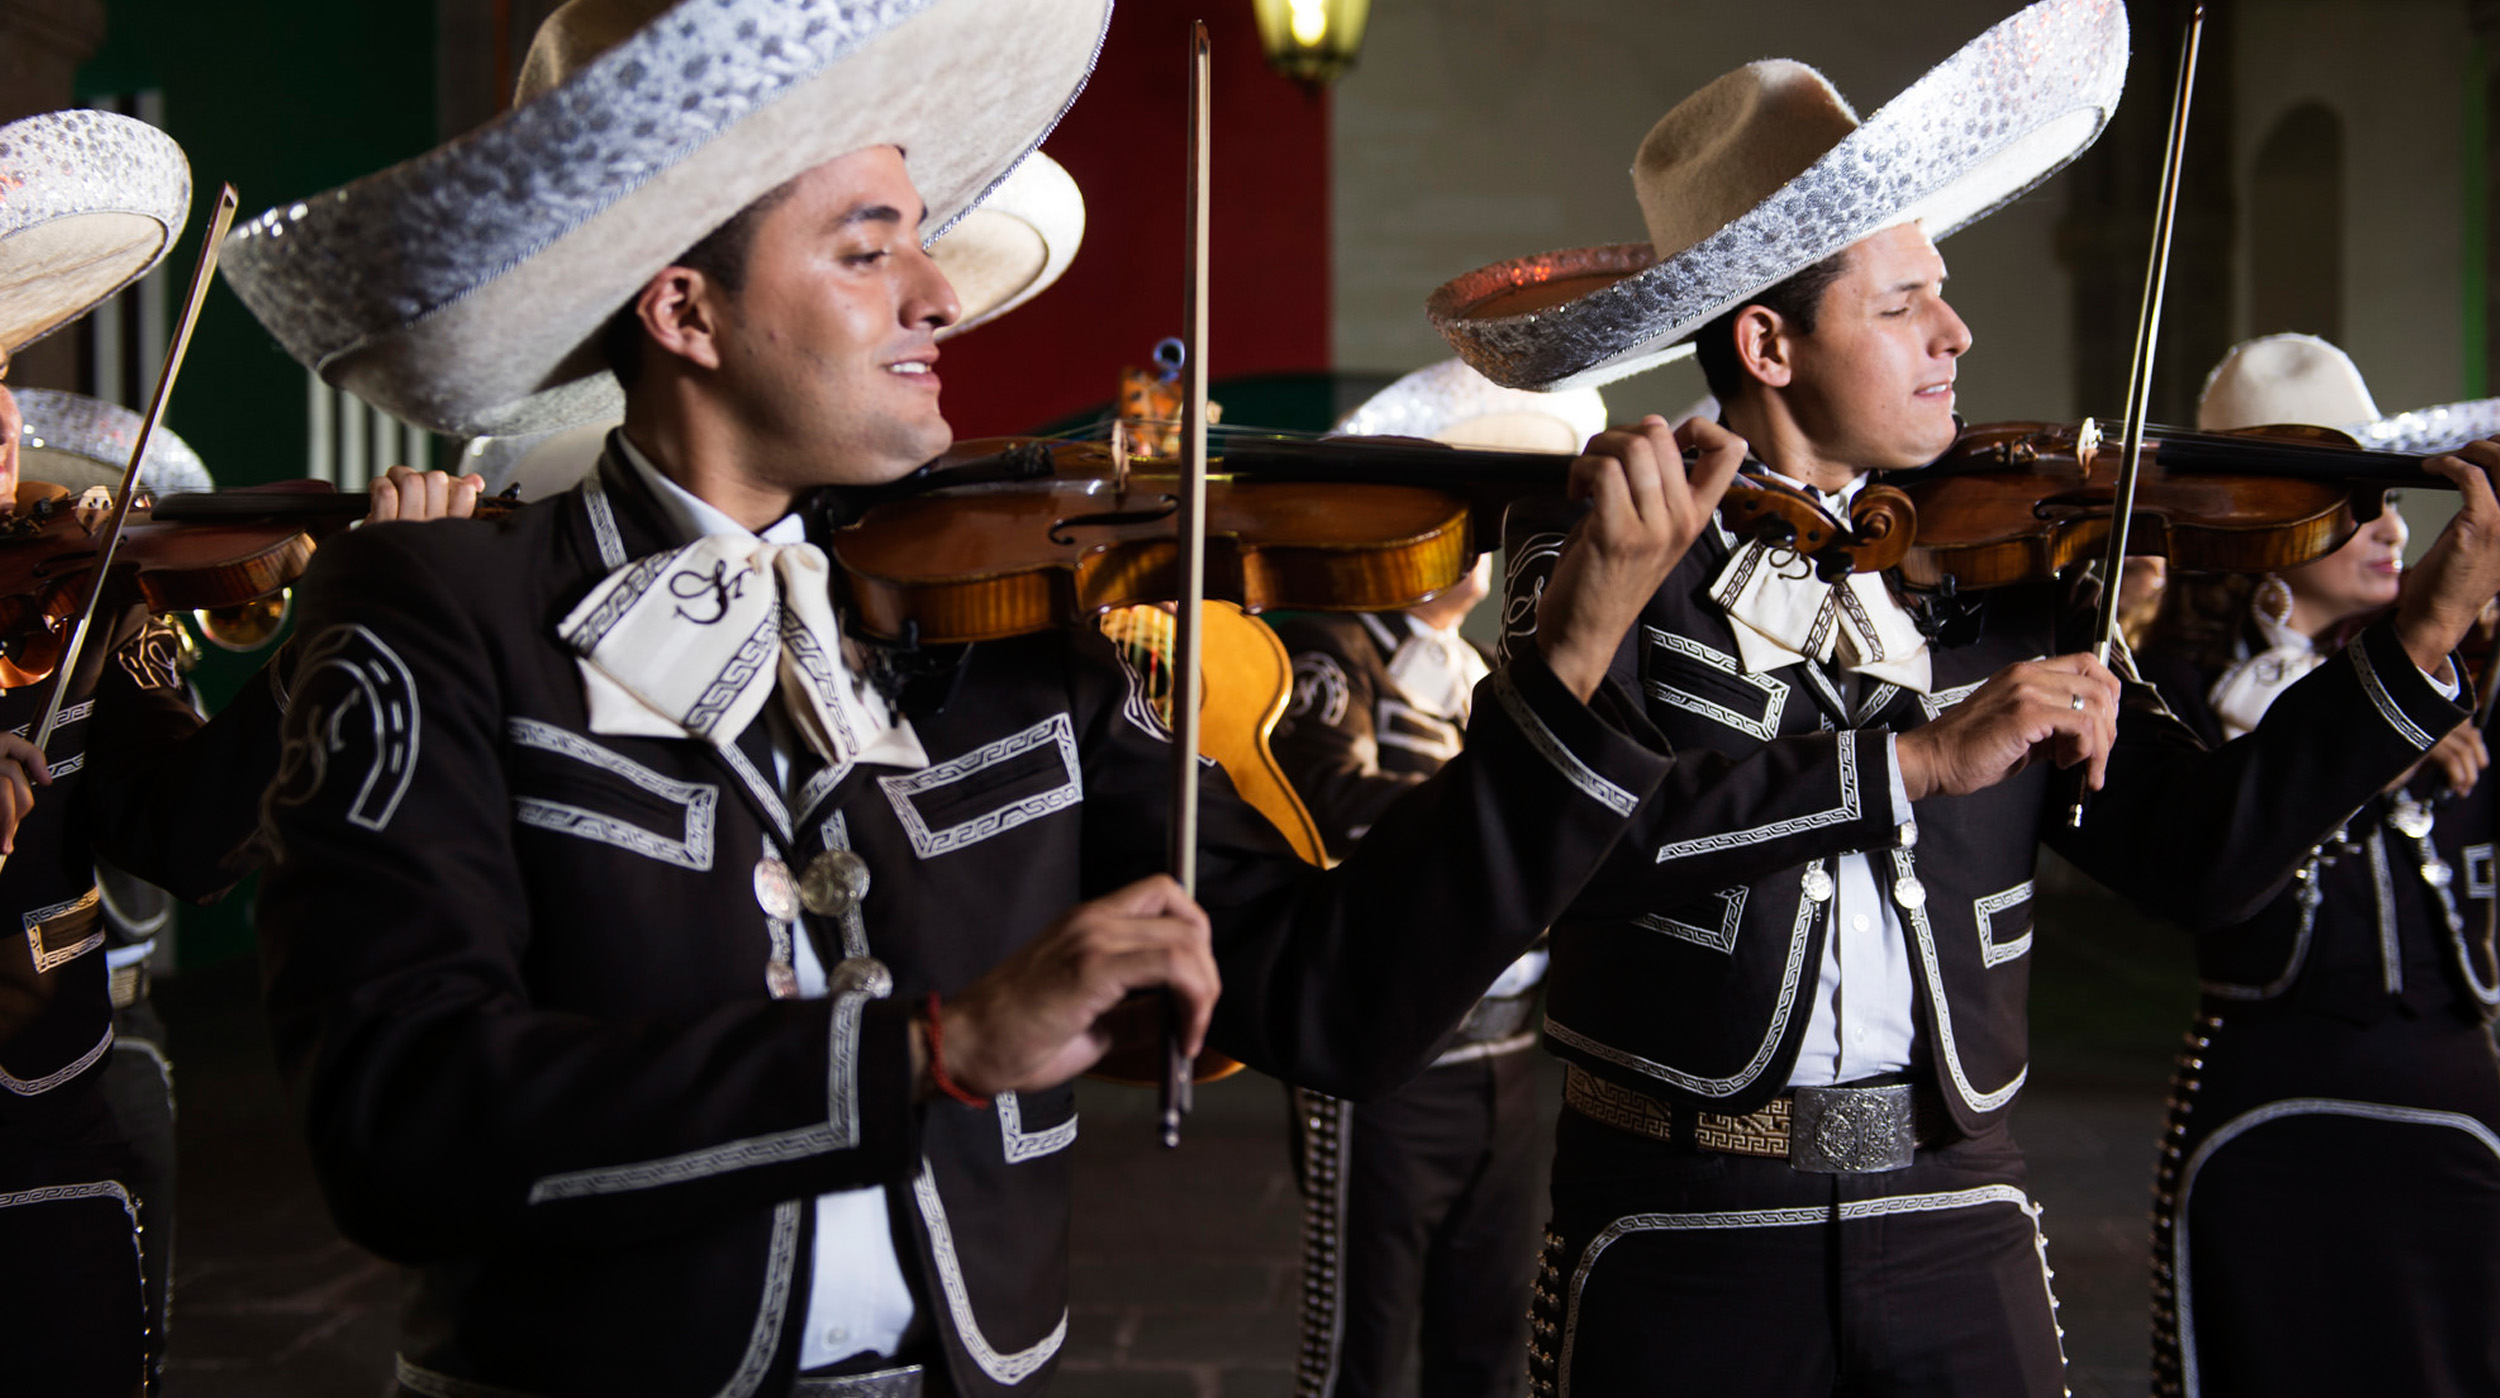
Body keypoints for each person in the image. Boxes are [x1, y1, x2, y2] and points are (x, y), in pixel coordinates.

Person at [216, 2, 1732, 1394]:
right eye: (870, 251)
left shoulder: (1009, 633)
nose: (942, 293)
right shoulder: (446, 612)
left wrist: (1574, 661)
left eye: (920, 243)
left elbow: (1331, 995)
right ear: (685, 311)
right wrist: (929, 1050)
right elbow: (398, 1121)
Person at [1429, 3, 2500, 1394]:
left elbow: (2205, 853)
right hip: (1686, 1225)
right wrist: (1913, 762)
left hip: (1956, 1216)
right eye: (1902, 303)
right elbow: (1564, 853)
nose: (1957, 328)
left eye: (1941, 286)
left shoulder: (2000, 571)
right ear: (1768, 345)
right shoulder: (1596, 551)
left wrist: (2421, 637)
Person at [0, 110, 484, 1396]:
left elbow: (192, 837)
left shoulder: (71, 602)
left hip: (40, 1161)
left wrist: (331, 627)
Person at [2133, 334, 2500, 1397]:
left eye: (2388, 495)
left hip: (2457, 1130)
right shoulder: (2173, 681)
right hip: (2267, 1129)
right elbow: (2204, 869)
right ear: (2254, 517)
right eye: (2352, 497)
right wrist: (2365, 741)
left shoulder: (2458, 668)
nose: (2389, 524)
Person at [1272, 360, 1604, 1398]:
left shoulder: (1476, 662)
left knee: (1488, 1333)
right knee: (1355, 1348)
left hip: (1505, 1057)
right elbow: (1332, 808)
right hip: (1389, 1064)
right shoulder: (1330, 648)